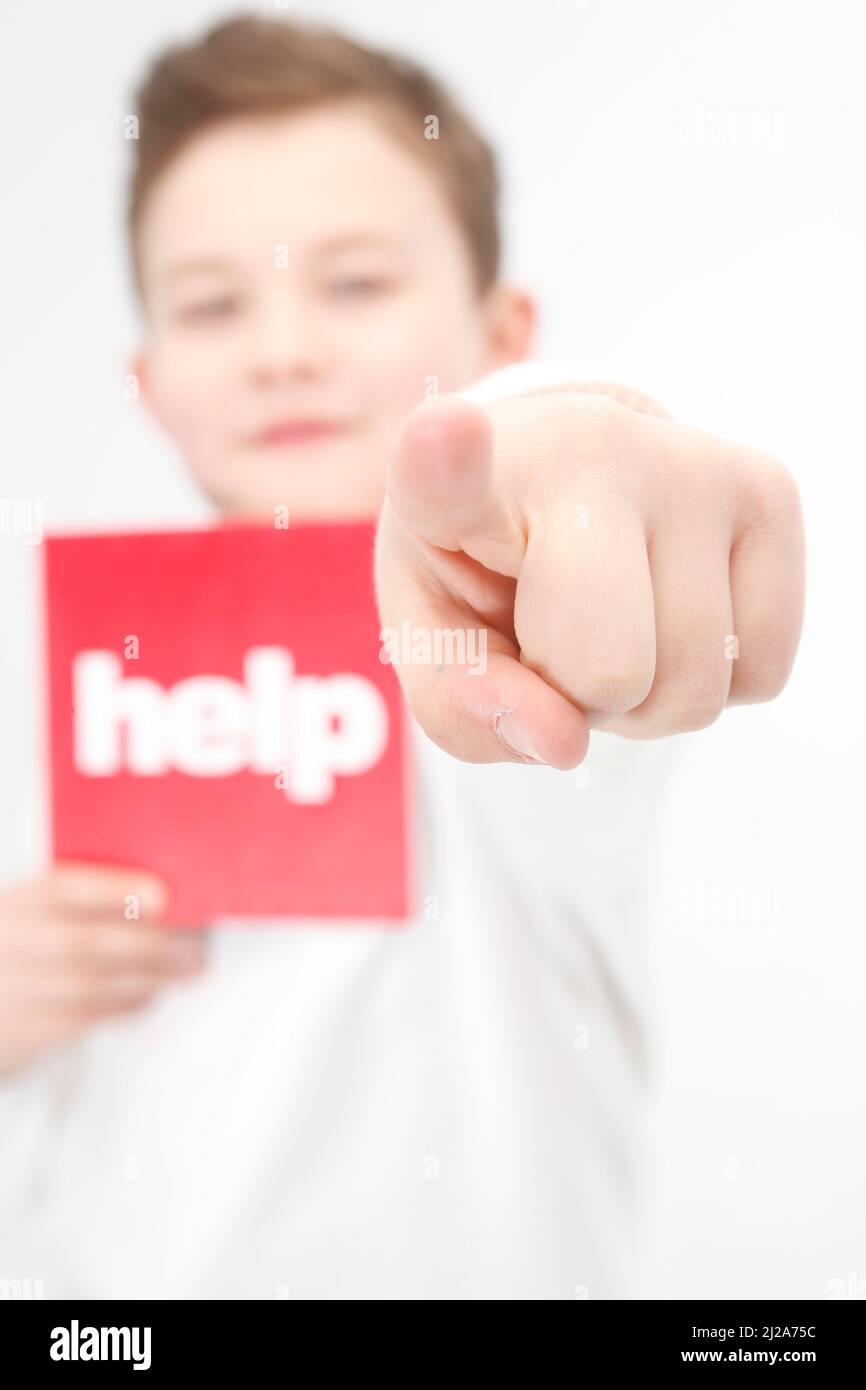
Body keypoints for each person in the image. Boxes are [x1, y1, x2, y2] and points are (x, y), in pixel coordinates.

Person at [0, 14, 803, 1299]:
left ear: (501, 331)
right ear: (149, 384)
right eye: (212, 303)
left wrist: (579, 449)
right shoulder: (68, 670)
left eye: (358, 283)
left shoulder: (520, 638)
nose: (282, 350)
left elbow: (565, 455)